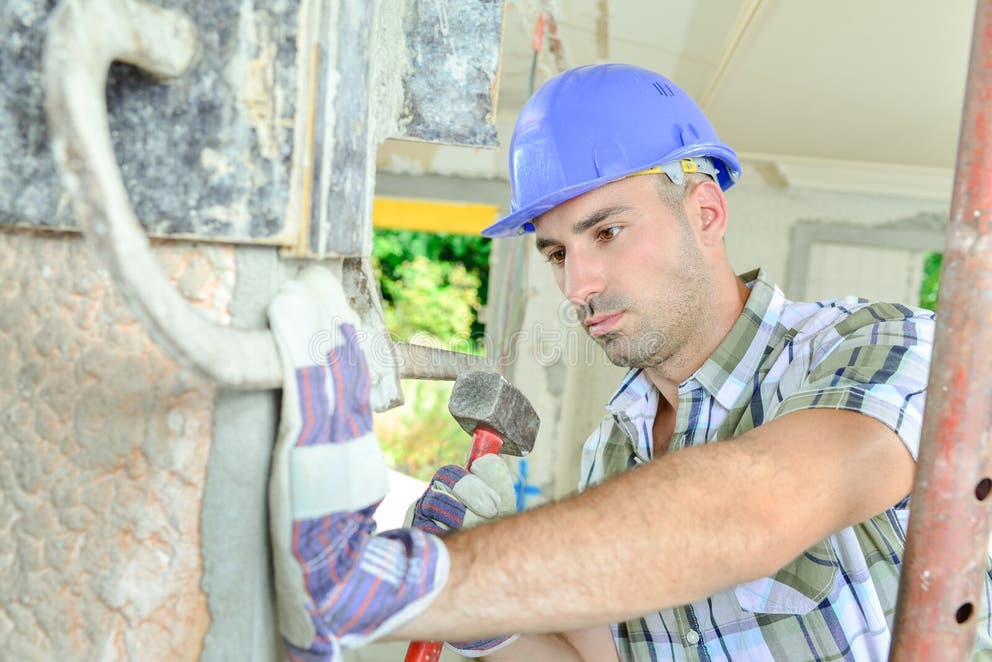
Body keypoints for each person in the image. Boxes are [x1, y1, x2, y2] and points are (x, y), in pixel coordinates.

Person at [276, 64, 992, 661]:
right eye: (558, 253)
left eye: (608, 231)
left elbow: (756, 505)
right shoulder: (613, 446)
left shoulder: (881, 346)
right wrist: (484, 621)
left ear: (706, 213)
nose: (578, 285)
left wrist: (426, 579)